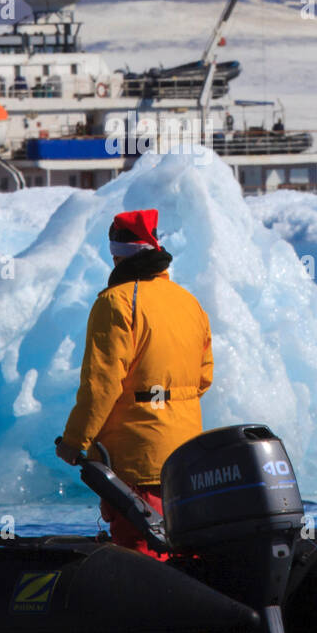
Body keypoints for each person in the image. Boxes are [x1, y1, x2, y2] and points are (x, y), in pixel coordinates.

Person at [55, 207, 213, 557]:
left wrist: (74, 440)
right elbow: (204, 378)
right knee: (183, 548)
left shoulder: (115, 303)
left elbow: (102, 384)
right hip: (185, 456)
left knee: (142, 552)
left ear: (116, 256)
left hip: (137, 460)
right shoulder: (189, 302)